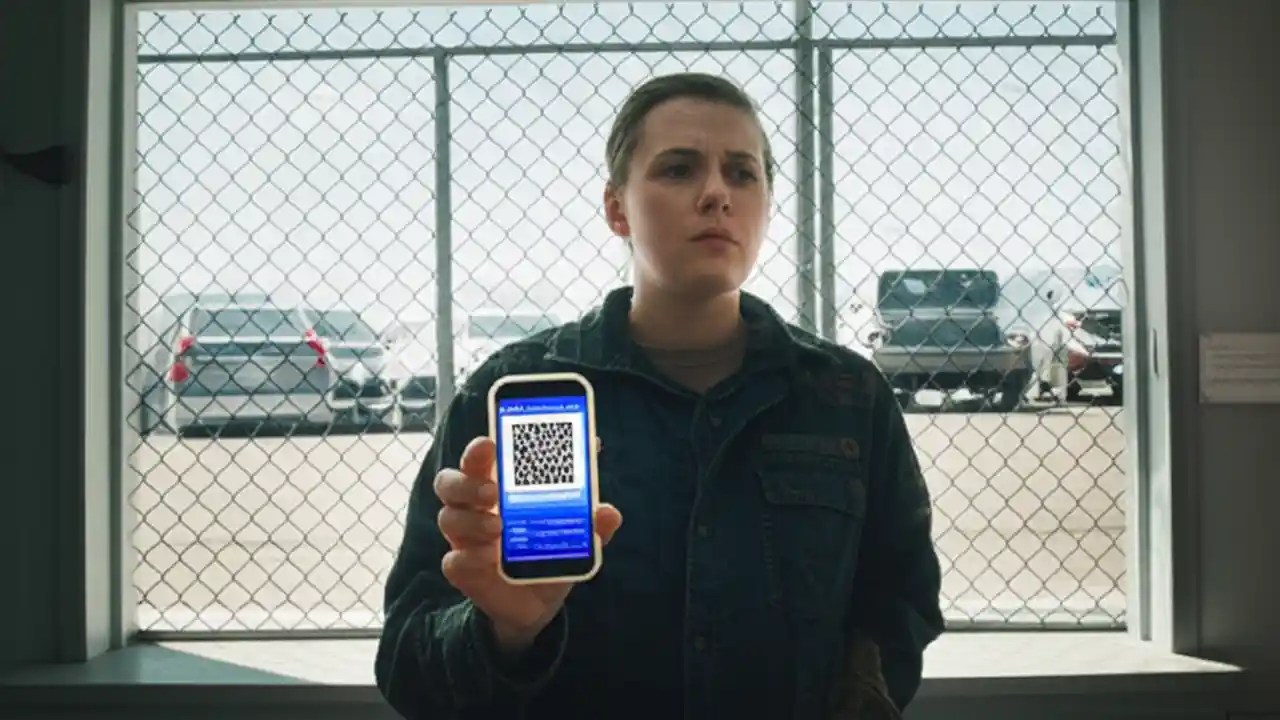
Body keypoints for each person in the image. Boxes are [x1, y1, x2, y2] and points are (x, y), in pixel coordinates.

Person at [375, 72, 944, 719]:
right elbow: (407, 663)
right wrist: (505, 632)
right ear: (616, 207)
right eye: (678, 169)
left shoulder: (846, 396)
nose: (716, 194)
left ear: (765, 205)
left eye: (742, 173)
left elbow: (903, 602)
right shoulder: (516, 393)